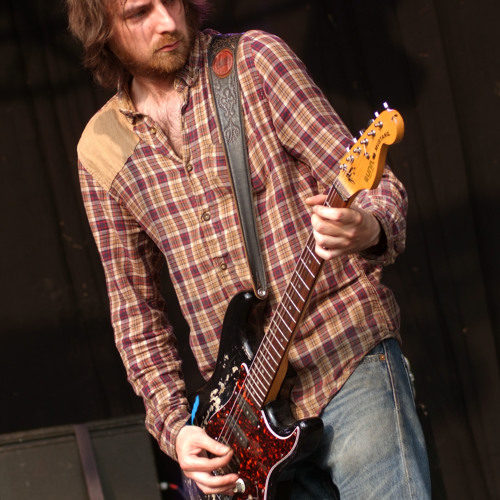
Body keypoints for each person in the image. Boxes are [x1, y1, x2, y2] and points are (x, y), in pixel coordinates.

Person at [67, 0, 431, 498]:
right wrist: (176, 429)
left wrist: (368, 228)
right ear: (101, 29)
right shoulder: (101, 148)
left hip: (346, 356)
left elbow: (372, 183)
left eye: (172, 1)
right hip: (242, 423)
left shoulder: (255, 64)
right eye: (139, 13)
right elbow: (136, 312)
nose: (167, 22)